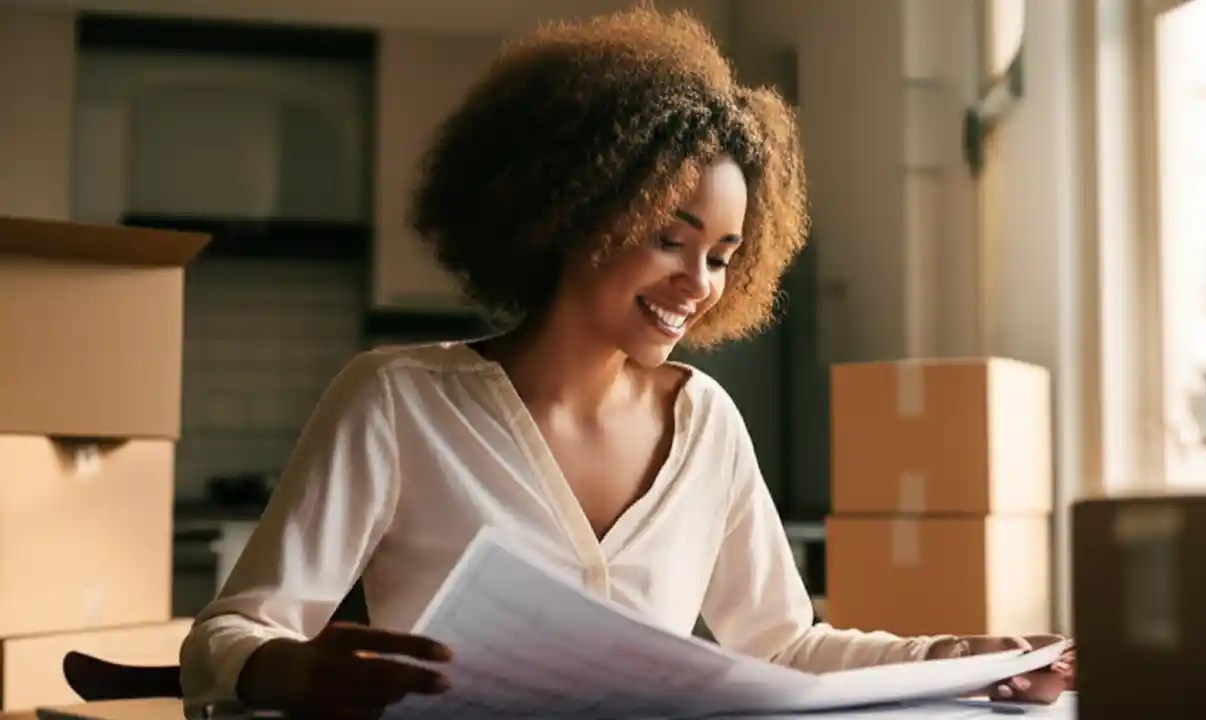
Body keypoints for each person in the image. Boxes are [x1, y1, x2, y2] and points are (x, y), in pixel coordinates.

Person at [178, 6, 1074, 718]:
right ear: (574, 212)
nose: (701, 282)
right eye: (669, 240)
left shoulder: (707, 422)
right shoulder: (396, 402)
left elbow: (784, 647)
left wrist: (963, 660)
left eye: (724, 253)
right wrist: (284, 671)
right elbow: (230, 630)